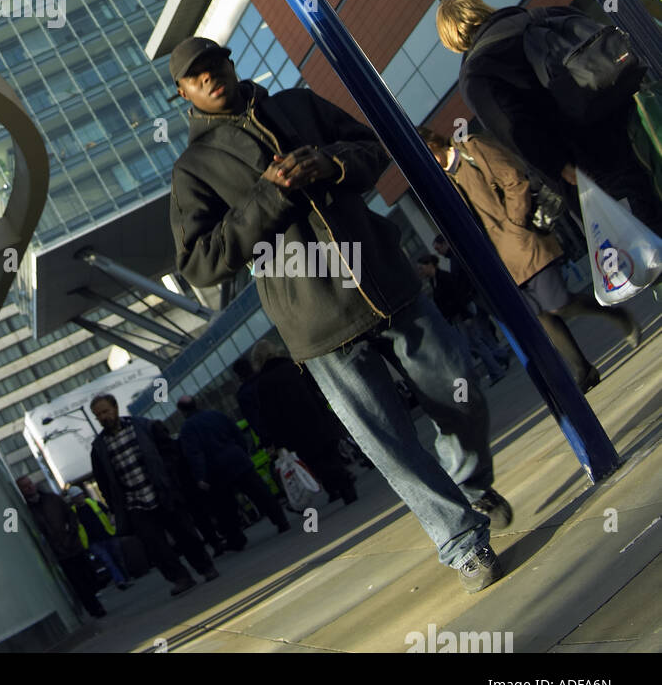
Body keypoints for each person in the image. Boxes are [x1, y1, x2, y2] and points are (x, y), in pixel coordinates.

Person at [167, 35, 510, 592]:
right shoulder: (193, 170)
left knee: (461, 391)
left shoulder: (298, 105)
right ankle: (460, 541)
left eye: (214, 65)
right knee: (389, 445)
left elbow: (374, 150)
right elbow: (202, 264)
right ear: (182, 93)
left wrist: (330, 163)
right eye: (195, 76)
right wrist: (268, 196)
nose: (209, 77)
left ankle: (469, 484)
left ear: (230, 65)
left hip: (387, 282)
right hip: (317, 324)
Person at [419, 127, 641, 393]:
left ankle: (618, 315)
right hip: (500, 258)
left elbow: (513, 177)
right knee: (541, 315)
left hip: (524, 241)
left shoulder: (471, 148)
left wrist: (516, 222)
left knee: (558, 303)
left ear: (432, 144)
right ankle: (583, 370)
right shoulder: (446, 180)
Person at [437, 0, 662, 238]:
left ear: (452, 39)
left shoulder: (477, 76)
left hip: (591, 167)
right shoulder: (545, 15)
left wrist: (562, 168)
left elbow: (516, 129)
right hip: (639, 124)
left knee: (645, 244)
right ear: (480, 6)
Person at [88, 393, 218, 597]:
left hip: (162, 492)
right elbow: (104, 481)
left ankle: (205, 567)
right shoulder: (99, 448)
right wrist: (116, 506)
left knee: (185, 534)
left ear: (115, 408)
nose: (103, 417)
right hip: (136, 504)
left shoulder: (143, 427)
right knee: (156, 546)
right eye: (98, 415)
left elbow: (170, 452)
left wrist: (170, 480)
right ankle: (180, 578)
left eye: (105, 411)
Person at [247, 338, 358, 505]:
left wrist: (275, 442)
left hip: (294, 431)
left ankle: (341, 484)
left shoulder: (263, 383)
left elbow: (270, 415)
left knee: (316, 462)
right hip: (317, 419)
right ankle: (344, 482)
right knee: (330, 454)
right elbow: (316, 388)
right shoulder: (295, 366)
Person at [176, 394, 287, 540]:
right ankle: (280, 520)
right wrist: (242, 452)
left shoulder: (187, 429)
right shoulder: (216, 415)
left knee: (226, 507)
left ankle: (236, 538)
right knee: (260, 493)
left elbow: (195, 454)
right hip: (237, 459)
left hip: (216, 470)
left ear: (182, 411)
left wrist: (201, 476)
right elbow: (237, 434)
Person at [15, 476, 106, 618]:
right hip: (58, 552)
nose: (30, 487)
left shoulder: (51, 499)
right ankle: (94, 608)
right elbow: (15, 529)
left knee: (89, 576)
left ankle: (93, 599)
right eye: (25, 487)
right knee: (77, 582)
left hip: (72, 545)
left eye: (30, 484)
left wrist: (72, 533)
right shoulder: (25, 510)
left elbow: (70, 515)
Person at [416, 252, 507, 386]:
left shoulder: (444, 277)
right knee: (473, 345)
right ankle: (497, 365)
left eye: (421, 268)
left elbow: (459, 297)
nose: (420, 271)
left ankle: (497, 367)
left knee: (475, 344)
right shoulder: (434, 281)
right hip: (454, 318)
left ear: (430, 265)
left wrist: (466, 316)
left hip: (461, 315)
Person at [65, 487, 132, 590]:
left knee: (117, 557)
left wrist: (111, 521)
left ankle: (126, 578)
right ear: (73, 499)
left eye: (80, 495)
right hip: (93, 542)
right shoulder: (73, 513)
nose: (79, 498)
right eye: (76, 497)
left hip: (107, 535)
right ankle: (120, 581)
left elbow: (108, 512)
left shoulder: (94, 504)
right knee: (108, 561)